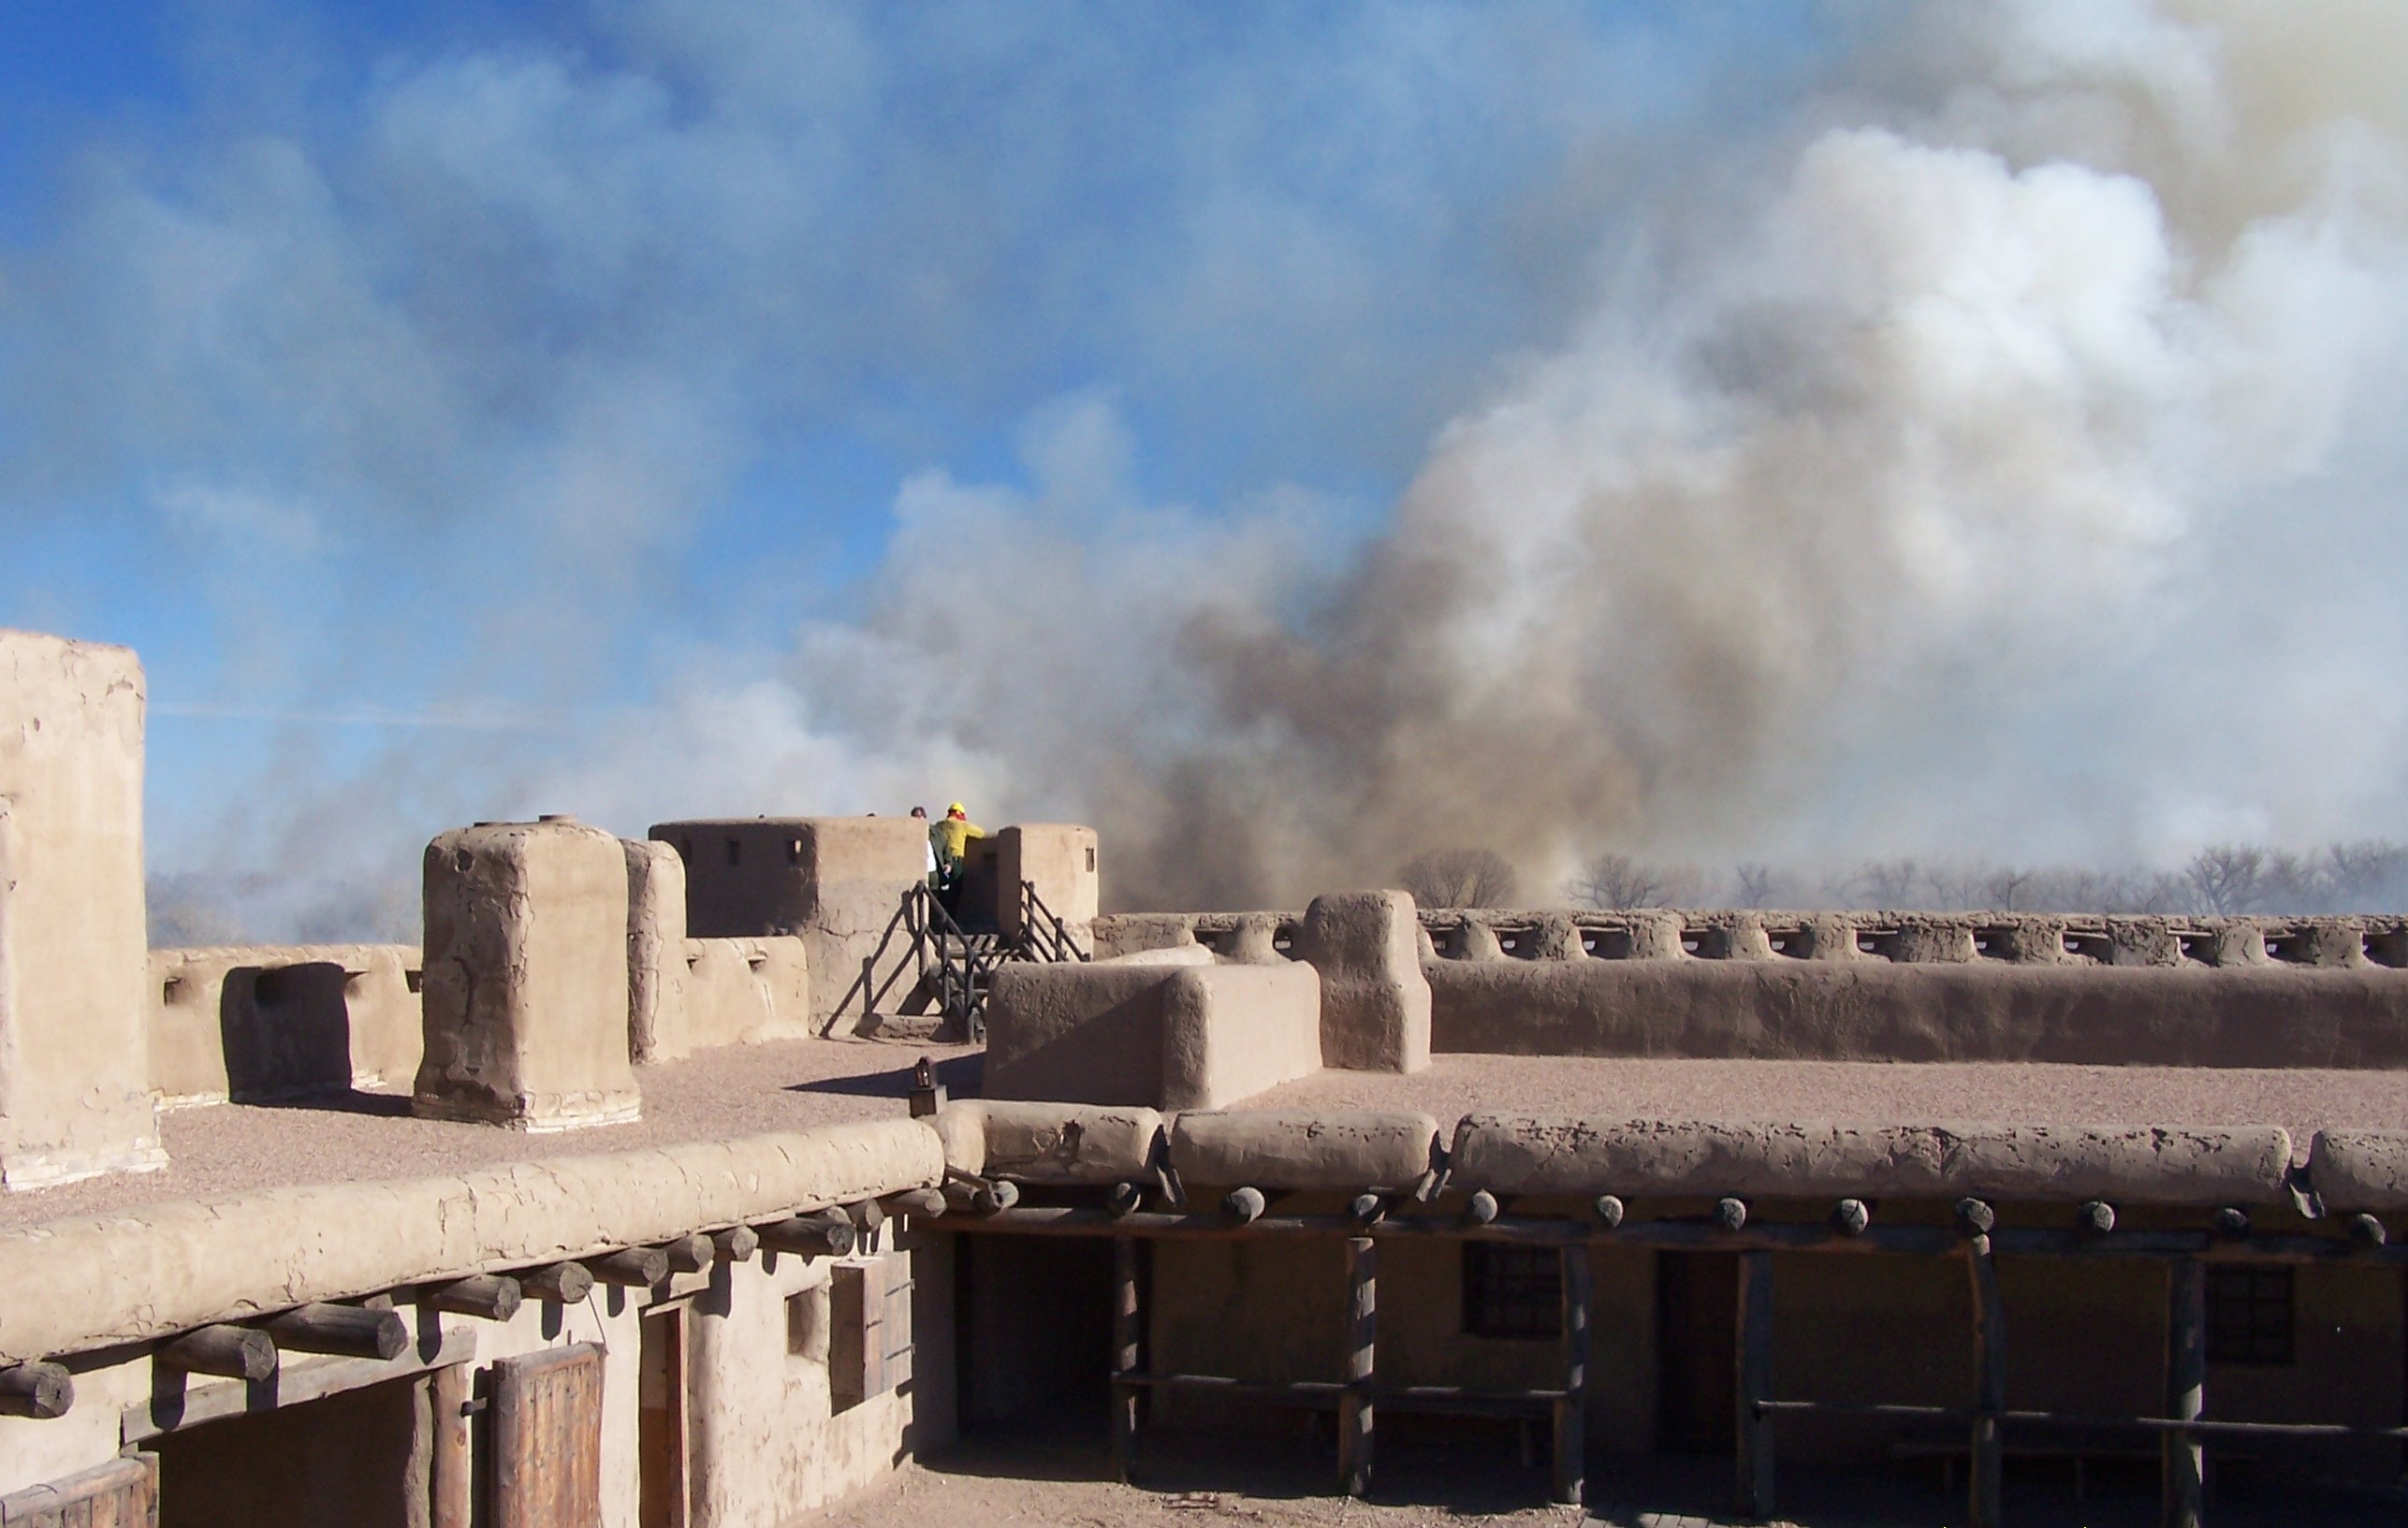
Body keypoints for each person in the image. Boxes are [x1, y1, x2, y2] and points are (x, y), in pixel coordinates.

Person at [929, 801, 985, 910]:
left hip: (941, 860)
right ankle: (951, 920)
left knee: (942, 890)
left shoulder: (939, 825)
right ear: (959, 813)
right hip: (955, 861)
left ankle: (941, 918)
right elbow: (981, 833)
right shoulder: (962, 825)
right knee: (956, 889)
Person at [910, 806, 936, 888]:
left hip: (932, 871)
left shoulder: (934, 833)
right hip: (919, 873)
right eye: (915, 817)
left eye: (920, 817)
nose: (917, 820)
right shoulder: (910, 834)